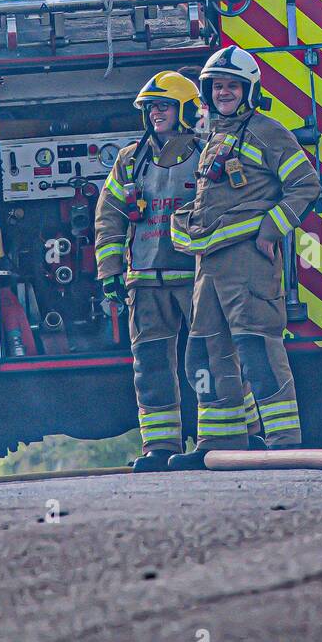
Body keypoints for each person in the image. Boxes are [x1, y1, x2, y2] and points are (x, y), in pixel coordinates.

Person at [95, 72, 263, 471]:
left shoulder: (211, 154)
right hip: (146, 281)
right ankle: (159, 446)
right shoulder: (130, 160)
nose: (156, 113)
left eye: (164, 106)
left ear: (185, 110)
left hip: (197, 277)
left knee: (212, 359)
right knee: (150, 366)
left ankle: (234, 436)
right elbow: (109, 216)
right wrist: (110, 271)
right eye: (151, 107)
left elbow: (233, 206)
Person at [167, 46, 320, 468]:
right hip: (209, 267)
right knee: (203, 353)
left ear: (248, 90)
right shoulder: (214, 136)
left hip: (249, 262)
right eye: (217, 86)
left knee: (256, 348)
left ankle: (285, 442)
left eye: (232, 86)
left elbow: (305, 185)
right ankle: (219, 446)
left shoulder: (268, 132)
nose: (224, 93)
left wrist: (272, 229)